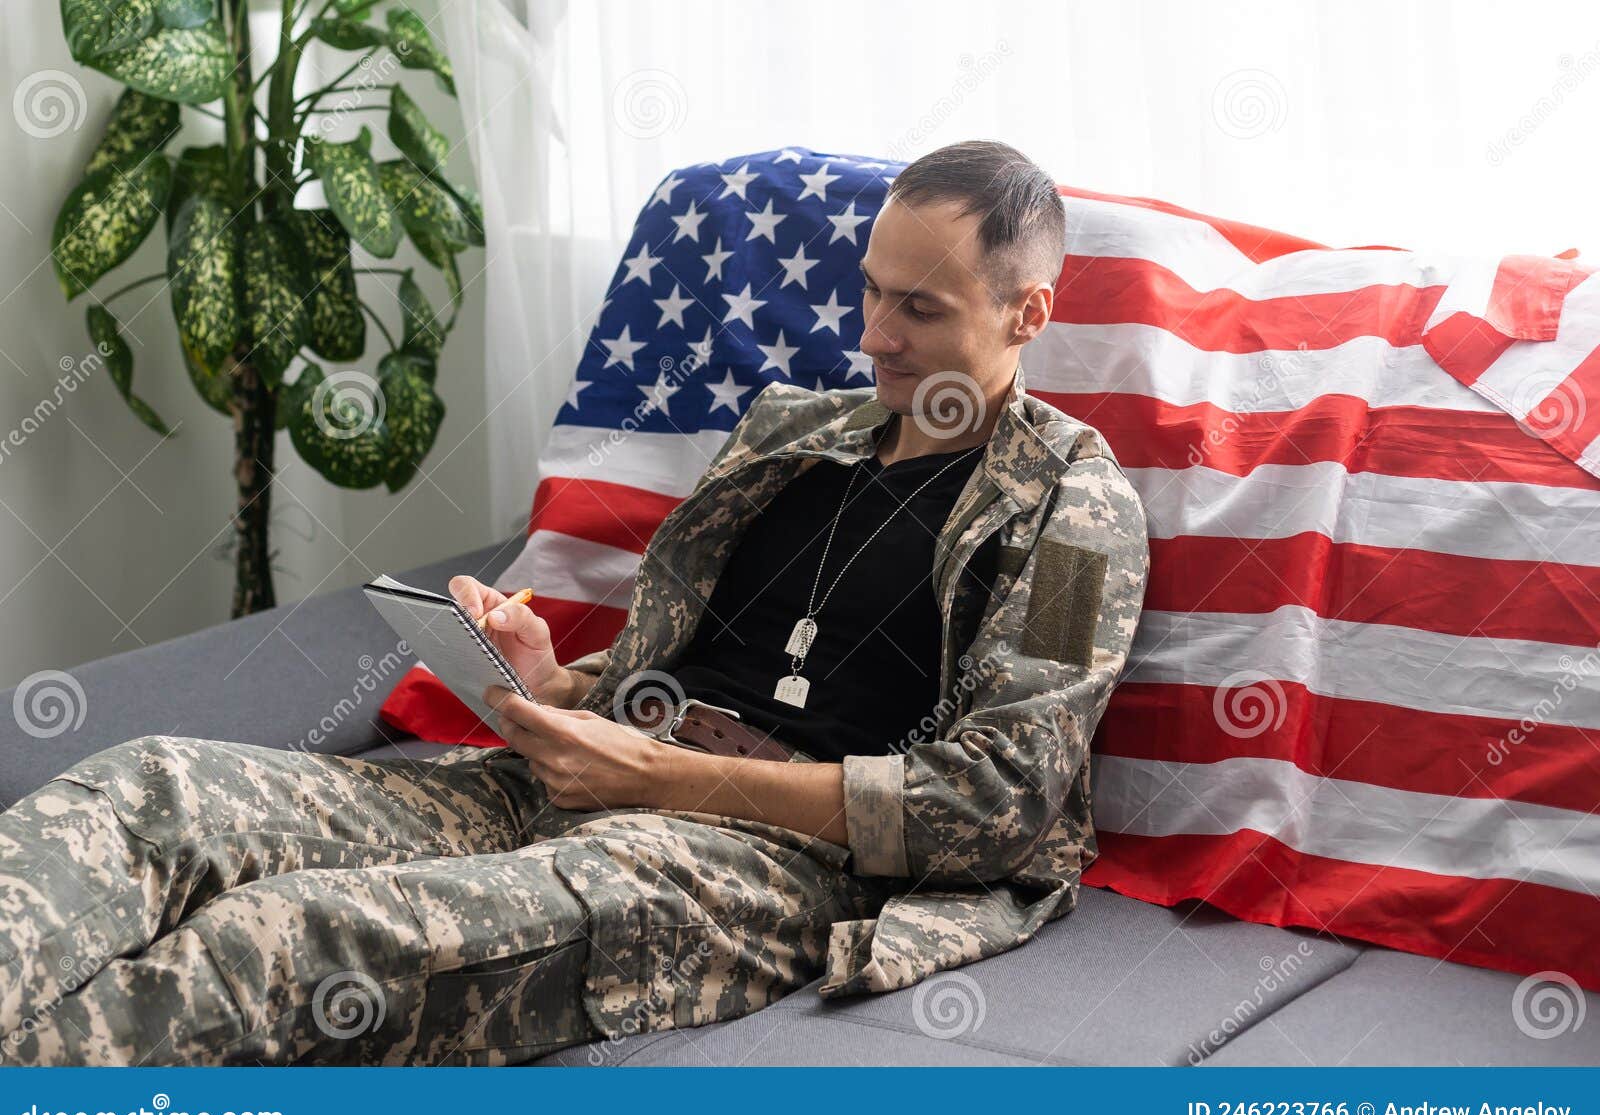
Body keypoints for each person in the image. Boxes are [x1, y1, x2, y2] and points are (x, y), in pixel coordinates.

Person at [0, 140, 1149, 1065]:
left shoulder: (1071, 515)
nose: (873, 336)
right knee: (151, 789)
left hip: (762, 859)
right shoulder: (789, 436)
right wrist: (554, 682)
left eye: (921, 310)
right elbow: (699, 661)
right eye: (868, 291)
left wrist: (658, 776)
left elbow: (995, 801)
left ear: (1026, 313)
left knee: (288, 935)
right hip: (585, 769)